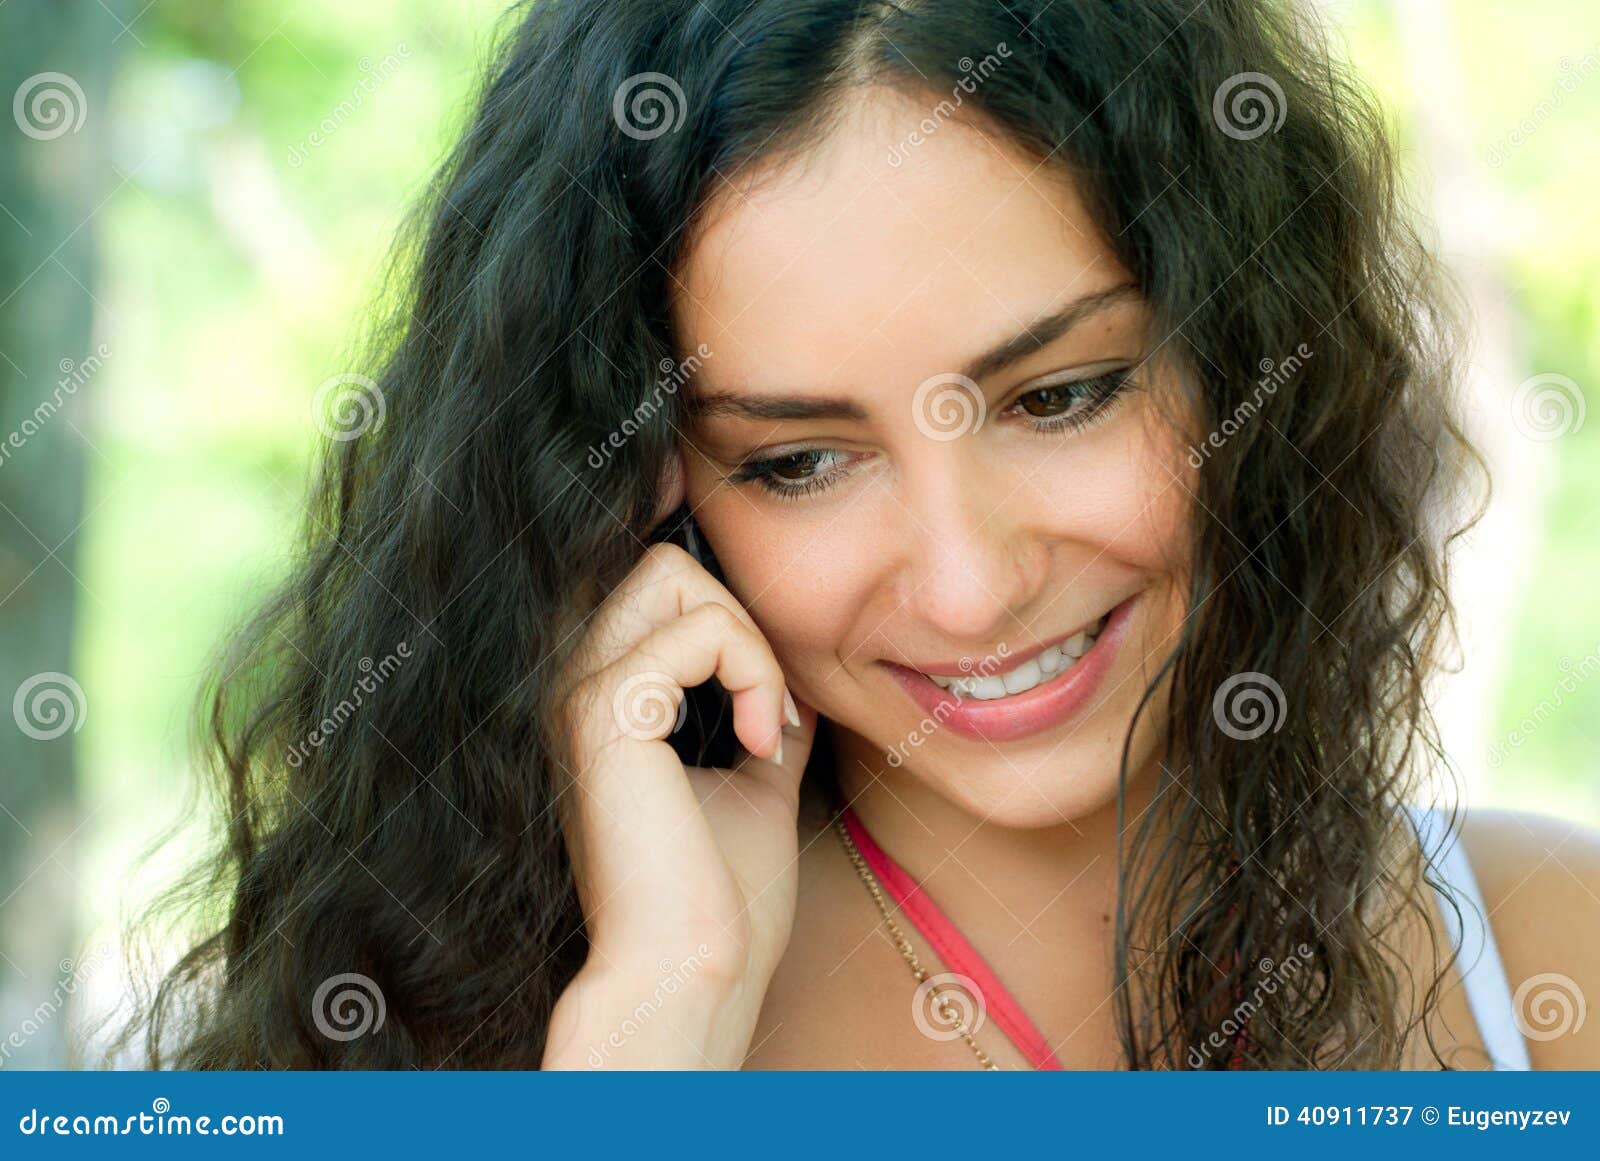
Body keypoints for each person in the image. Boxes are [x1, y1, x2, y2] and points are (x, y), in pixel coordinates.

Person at [127, 0, 1600, 1070]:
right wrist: (662, 1014)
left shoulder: (1551, 956)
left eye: (1060, 396)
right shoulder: (468, 1040)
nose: (968, 586)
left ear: (1249, 360)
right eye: (800, 461)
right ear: (634, 507)